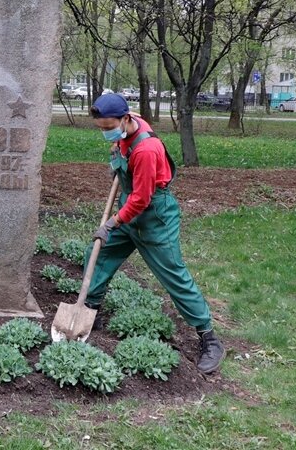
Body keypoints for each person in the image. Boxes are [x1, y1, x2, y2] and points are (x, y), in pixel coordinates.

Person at [86, 94, 225, 374]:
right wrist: (116, 149)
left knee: (173, 273)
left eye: (108, 127)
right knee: (100, 251)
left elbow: (142, 198)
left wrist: (113, 222)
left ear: (125, 119)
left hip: (154, 216)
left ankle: (209, 338)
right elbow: (125, 156)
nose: (105, 132)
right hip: (130, 207)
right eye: (101, 128)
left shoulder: (147, 150)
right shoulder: (130, 123)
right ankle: (89, 310)